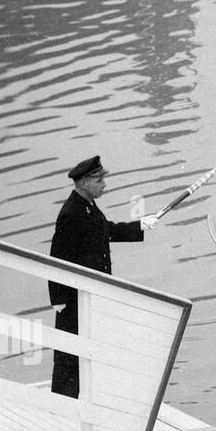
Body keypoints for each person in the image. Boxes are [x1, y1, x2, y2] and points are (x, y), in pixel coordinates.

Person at [48, 155, 157, 398]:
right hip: (74, 298)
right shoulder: (71, 213)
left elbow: (105, 231)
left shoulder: (87, 206)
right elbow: (57, 256)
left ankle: (88, 395)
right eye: (99, 179)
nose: (104, 183)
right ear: (84, 182)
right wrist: (58, 298)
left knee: (93, 346)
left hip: (92, 293)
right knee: (69, 354)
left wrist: (139, 226)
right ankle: (63, 403)